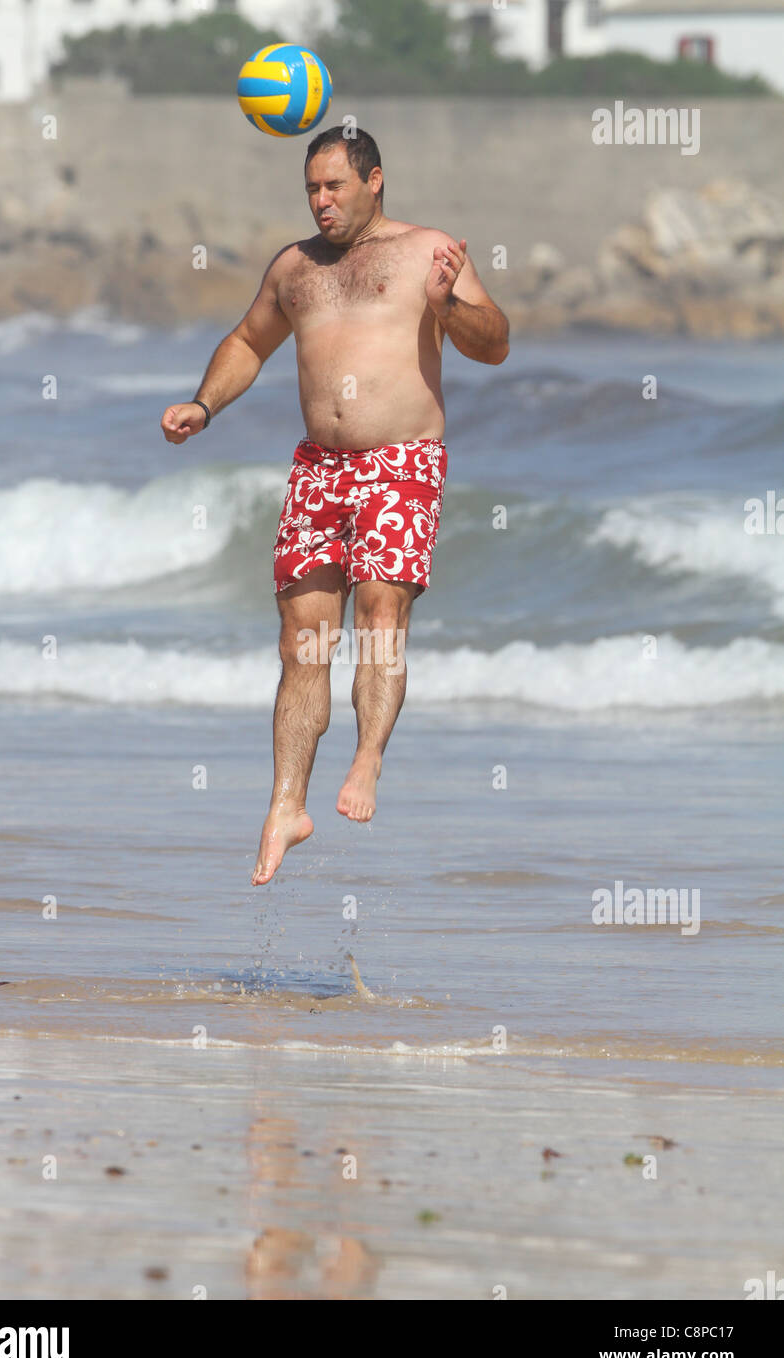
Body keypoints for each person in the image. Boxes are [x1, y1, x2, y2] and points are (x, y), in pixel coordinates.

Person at [161, 127, 509, 886]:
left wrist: (450, 306)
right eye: (312, 189)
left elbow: (495, 345)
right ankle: (287, 804)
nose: (321, 202)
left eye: (335, 187)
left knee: (381, 616)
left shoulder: (430, 253)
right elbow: (249, 343)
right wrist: (203, 405)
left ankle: (367, 760)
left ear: (375, 180)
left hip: (401, 460)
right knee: (302, 642)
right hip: (320, 468)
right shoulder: (294, 267)